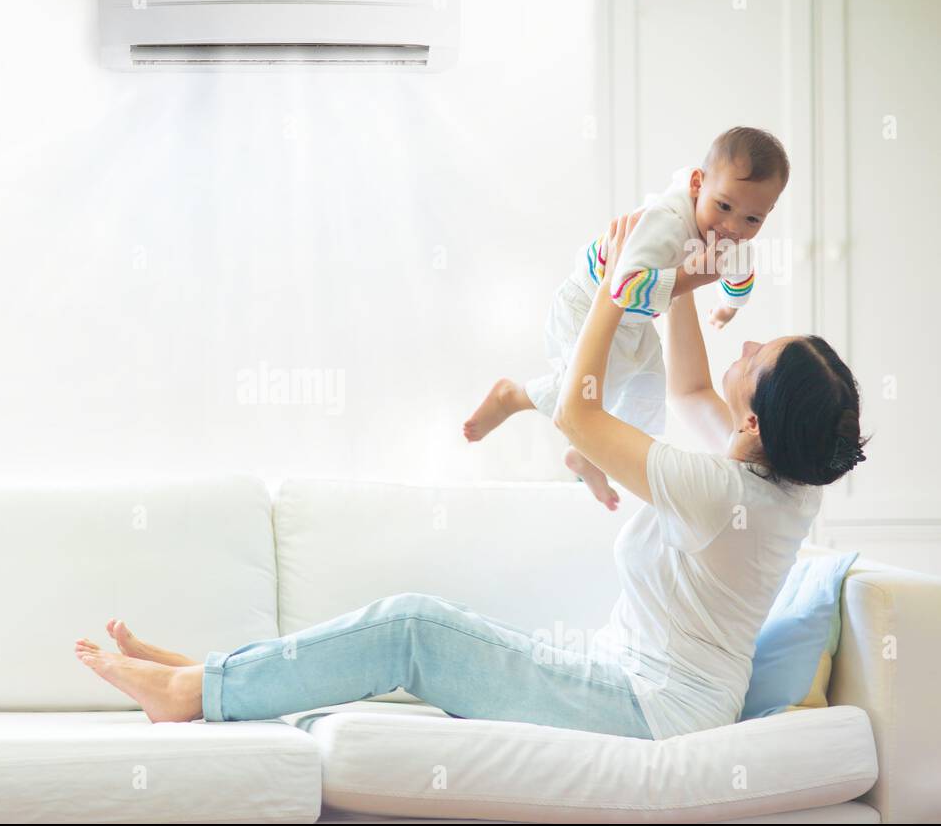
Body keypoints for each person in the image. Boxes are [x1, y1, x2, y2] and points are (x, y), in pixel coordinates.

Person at [75, 210, 869, 741]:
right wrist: (674, 274)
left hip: (645, 712)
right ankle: (211, 678)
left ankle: (190, 695)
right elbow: (694, 390)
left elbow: (580, 419)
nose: (746, 345)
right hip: (632, 689)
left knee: (413, 628)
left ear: (755, 422)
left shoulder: (724, 494)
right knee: (423, 628)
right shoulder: (780, 480)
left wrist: (614, 289)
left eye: (758, 358)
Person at [463, 126, 790, 512]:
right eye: (723, 207)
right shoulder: (667, 223)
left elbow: (740, 273)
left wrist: (727, 307)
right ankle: (512, 396)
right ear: (698, 184)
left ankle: (591, 456)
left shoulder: (731, 237)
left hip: (633, 319)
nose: (733, 227)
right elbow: (622, 289)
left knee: (647, 385)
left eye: (753, 219)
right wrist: (689, 278)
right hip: (588, 302)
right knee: (594, 385)